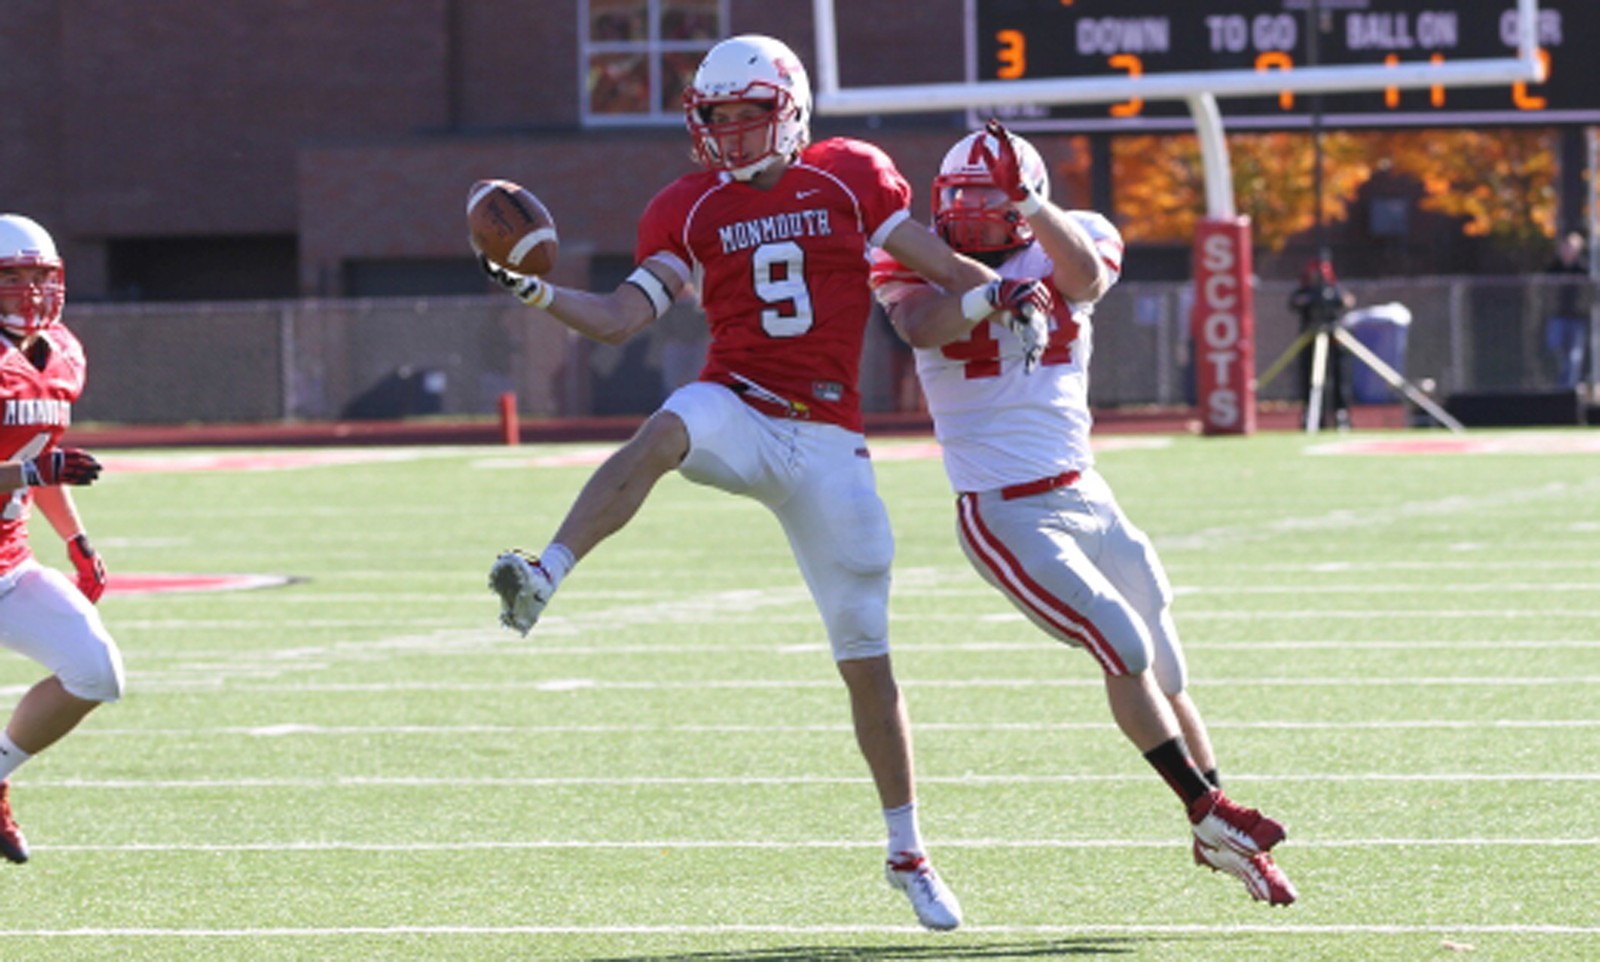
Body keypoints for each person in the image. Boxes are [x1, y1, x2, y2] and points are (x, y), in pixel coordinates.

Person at [477, 35, 1047, 931]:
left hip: (827, 440)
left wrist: (1000, 295)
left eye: (751, 114)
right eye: (719, 116)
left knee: (867, 656)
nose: (734, 132)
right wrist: (536, 293)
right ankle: (545, 571)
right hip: (738, 406)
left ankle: (907, 850)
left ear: (791, 109)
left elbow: (945, 268)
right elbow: (622, 317)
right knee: (669, 425)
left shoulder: (850, 176)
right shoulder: (686, 206)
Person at [869, 120, 1298, 906]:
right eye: (960, 199)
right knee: (1120, 642)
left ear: (1027, 198)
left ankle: (1214, 831)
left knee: (1164, 663)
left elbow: (1087, 279)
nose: (970, 215)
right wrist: (987, 294)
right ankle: (1208, 810)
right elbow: (919, 323)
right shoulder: (915, 256)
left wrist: (1033, 208)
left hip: (1087, 490)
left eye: (991, 199)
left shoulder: (1075, 232)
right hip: (1005, 509)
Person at [0, 213, 125, 865]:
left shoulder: (64, 352)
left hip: (8, 566)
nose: (30, 291)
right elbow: (35, 466)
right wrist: (31, 472)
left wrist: (77, 540)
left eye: (40, 276)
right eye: (11, 277)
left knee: (96, 670)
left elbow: (40, 461)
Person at [1289, 258, 1356, 430]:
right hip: (1310, 339)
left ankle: (1341, 413)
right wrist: (1311, 299)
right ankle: (1311, 414)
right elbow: (1294, 302)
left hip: (1335, 339)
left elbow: (1348, 301)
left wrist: (1334, 298)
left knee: (1340, 377)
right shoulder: (1304, 290)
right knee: (1309, 378)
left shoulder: (1334, 289)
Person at [1543, 231, 1590, 389]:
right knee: (1555, 346)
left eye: (1570, 247)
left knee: (1574, 354)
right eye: (1565, 247)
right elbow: (1545, 290)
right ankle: (1560, 382)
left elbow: (1588, 293)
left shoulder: (1583, 269)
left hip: (1576, 317)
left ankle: (1569, 387)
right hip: (1557, 315)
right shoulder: (1553, 267)